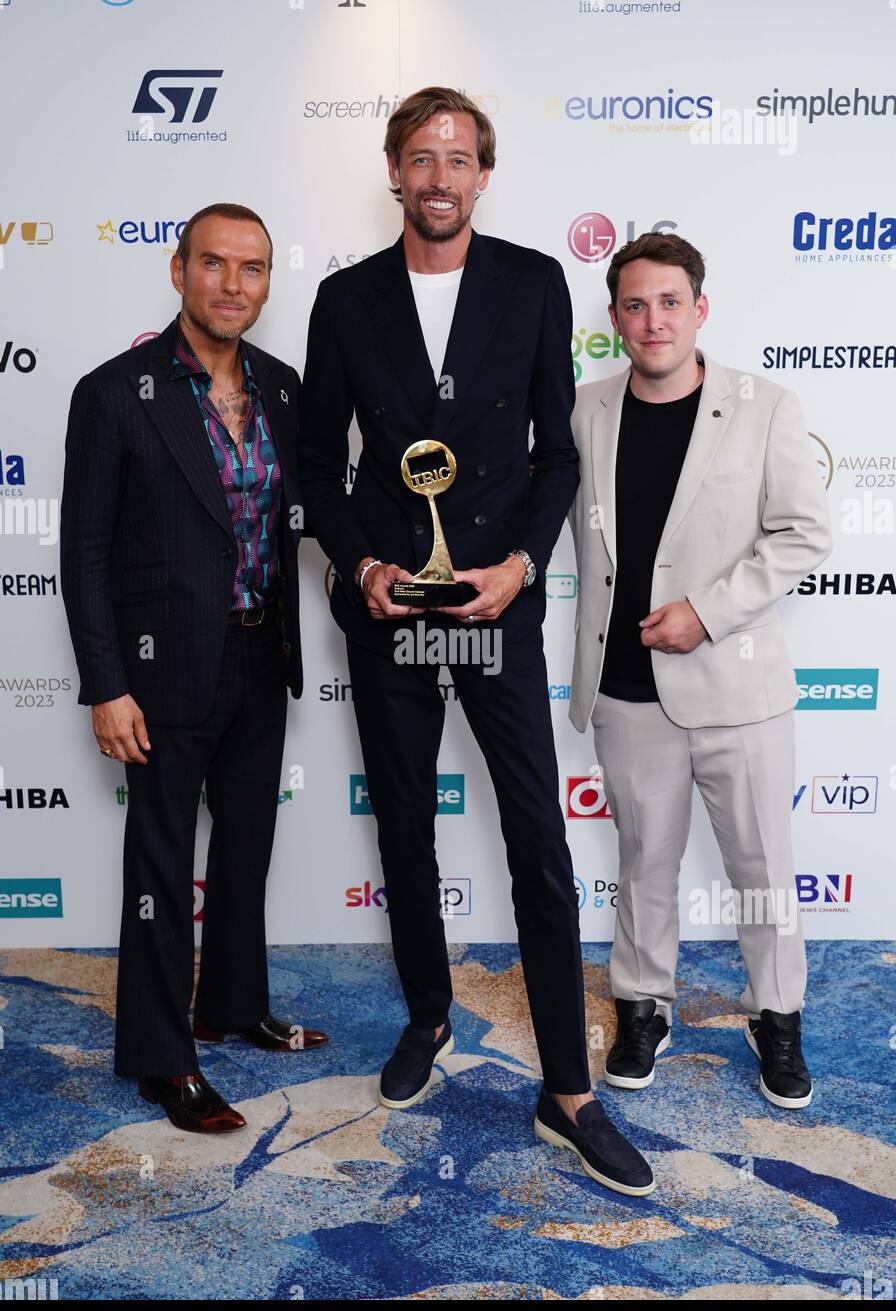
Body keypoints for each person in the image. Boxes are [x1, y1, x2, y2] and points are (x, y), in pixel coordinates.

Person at [298, 87, 654, 1196]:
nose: (440, 175)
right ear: (394, 171)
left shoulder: (533, 282)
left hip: (497, 609)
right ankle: (426, 1018)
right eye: (421, 156)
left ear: (482, 174)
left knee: (537, 845)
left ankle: (566, 1091)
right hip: (388, 612)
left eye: (459, 157)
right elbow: (318, 468)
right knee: (402, 830)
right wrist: (360, 568)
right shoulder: (345, 298)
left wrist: (516, 567)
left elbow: (557, 454)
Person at [61, 203, 327, 1135]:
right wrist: (105, 683)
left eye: (252, 269)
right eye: (214, 264)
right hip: (160, 669)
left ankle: (231, 1005)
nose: (233, 285)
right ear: (178, 271)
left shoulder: (287, 392)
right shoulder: (114, 392)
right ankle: (162, 1059)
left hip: (264, 654)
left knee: (246, 852)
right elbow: (84, 552)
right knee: (162, 869)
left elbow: (319, 511)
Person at [569, 232, 832, 1109]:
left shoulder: (765, 406)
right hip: (626, 688)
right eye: (635, 305)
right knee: (643, 860)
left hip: (737, 692)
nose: (654, 321)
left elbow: (802, 533)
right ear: (614, 319)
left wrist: (707, 613)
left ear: (700, 309)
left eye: (670, 302)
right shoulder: (585, 410)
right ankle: (643, 1006)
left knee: (761, 868)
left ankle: (777, 1017)